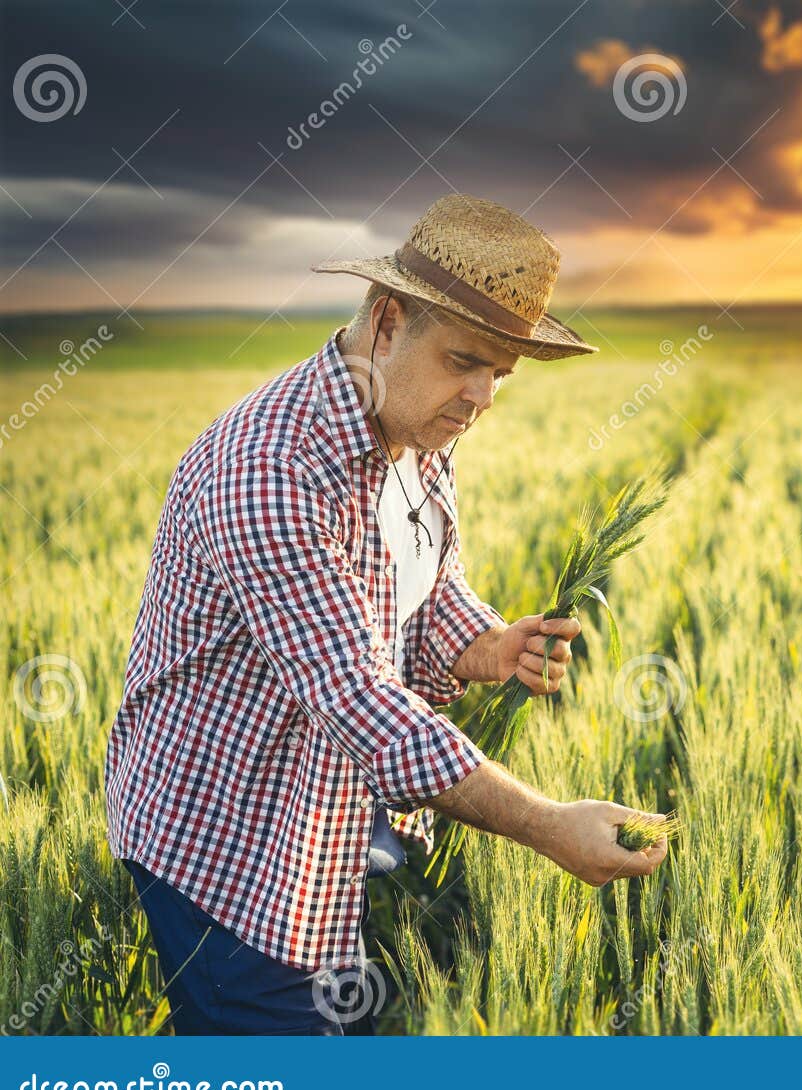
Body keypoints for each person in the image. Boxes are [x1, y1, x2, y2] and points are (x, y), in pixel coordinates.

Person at [105, 193, 669, 1035]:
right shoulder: (270, 470)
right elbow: (357, 700)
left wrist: (487, 642)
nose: (480, 398)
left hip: (330, 836)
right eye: (464, 362)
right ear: (386, 322)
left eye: (499, 377)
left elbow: (429, 583)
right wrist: (548, 825)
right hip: (230, 850)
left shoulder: (413, 429)